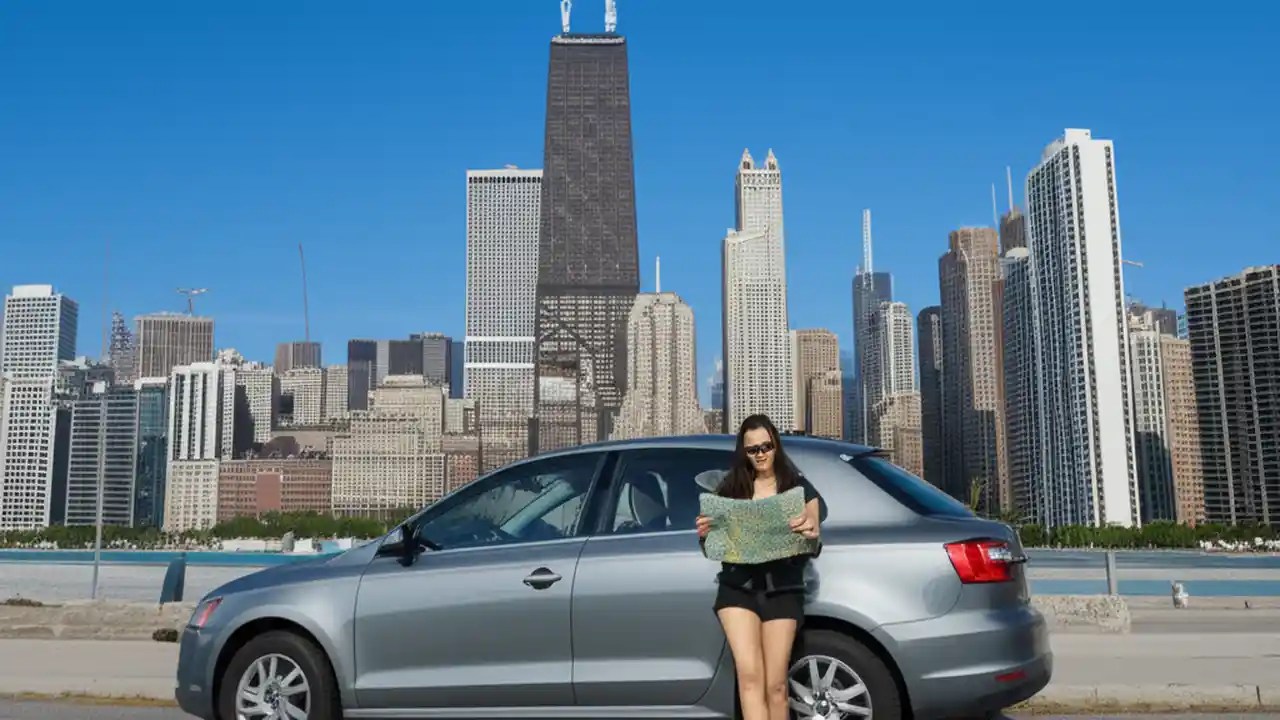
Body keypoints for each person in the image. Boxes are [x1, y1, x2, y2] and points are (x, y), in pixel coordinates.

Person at [695, 414, 822, 720]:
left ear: (776, 445)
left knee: (776, 686)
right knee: (749, 678)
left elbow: (814, 538)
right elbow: (714, 546)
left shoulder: (798, 487)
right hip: (737, 589)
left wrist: (811, 530)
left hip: (782, 589)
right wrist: (705, 534)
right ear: (745, 452)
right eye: (753, 449)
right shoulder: (728, 489)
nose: (761, 453)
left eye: (767, 445)